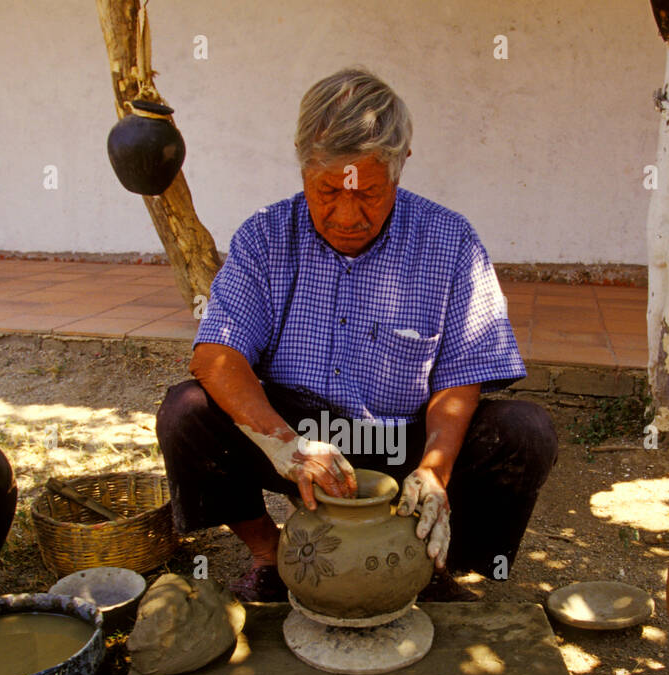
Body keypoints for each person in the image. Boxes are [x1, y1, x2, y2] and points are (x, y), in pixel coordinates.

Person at [156, 67, 557, 601]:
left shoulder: (450, 240)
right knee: (188, 410)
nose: (346, 215)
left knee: (524, 431)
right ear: (303, 169)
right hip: (300, 433)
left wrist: (434, 472)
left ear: (400, 169)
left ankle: (434, 566)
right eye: (327, 191)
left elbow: (463, 376)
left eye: (368, 193)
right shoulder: (266, 236)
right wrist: (287, 444)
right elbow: (215, 357)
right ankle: (271, 555)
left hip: (401, 436)